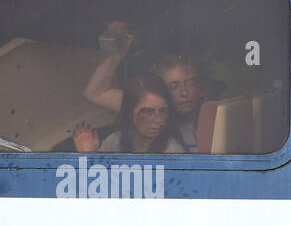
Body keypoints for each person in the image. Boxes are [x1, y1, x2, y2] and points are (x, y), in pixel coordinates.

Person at [83, 21, 206, 152]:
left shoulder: (213, 114)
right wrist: (117, 55)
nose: (184, 93)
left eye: (190, 83)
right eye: (174, 86)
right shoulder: (147, 103)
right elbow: (95, 92)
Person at [72, 73, 185, 154]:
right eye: (148, 112)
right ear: (130, 112)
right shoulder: (114, 141)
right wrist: (87, 156)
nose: (158, 120)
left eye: (163, 111)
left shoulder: (173, 151)